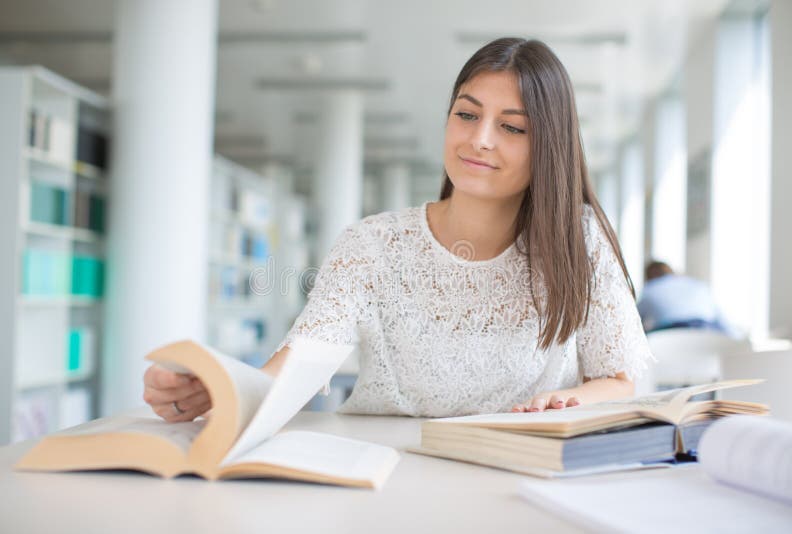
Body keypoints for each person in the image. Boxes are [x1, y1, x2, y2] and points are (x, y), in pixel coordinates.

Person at [143, 37, 653, 422]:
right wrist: (223, 390)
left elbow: (621, 380)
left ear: (550, 146)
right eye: (466, 115)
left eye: (512, 127)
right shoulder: (372, 244)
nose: (479, 140)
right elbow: (302, 362)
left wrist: (568, 401)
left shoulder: (579, 242)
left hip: (519, 481)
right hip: (385, 472)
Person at [637, 260, 734, 335]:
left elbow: (635, 321)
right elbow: (722, 321)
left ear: (648, 276)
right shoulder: (698, 285)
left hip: (669, 335)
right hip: (707, 331)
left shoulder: (650, 289)